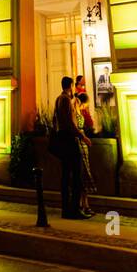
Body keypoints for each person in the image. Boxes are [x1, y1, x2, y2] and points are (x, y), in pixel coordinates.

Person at [52, 76, 85, 219]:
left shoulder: (58, 99)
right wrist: (82, 136)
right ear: (70, 86)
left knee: (66, 175)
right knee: (76, 175)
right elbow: (69, 122)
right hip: (69, 140)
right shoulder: (65, 99)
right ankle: (74, 209)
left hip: (63, 139)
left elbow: (55, 120)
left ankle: (66, 209)